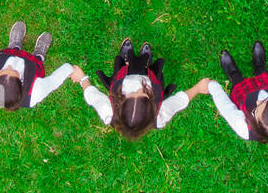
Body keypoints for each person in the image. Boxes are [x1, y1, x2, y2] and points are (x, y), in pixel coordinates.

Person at [72, 38, 210, 140]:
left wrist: (82, 79)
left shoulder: (109, 114)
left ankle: (127, 62)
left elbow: (93, 97)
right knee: (150, 73)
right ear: (151, 109)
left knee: (123, 70)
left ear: (120, 106)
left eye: (132, 94)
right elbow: (180, 101)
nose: (138, 89)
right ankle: (146, 65)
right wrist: (198, 88)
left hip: (124, 78)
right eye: (143, 94)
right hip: (149, 79)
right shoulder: (160, 117)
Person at [0, 22, 73, 110]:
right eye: (15, 72)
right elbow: (53, 81)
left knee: (13, 51)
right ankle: (39, 55)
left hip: (8, 55)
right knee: (36, 62)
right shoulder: (35, 93)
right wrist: (69, 69)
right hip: (32, 66)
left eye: (2, 71)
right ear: (21, 85)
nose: (9, 67)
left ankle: (15, 46)